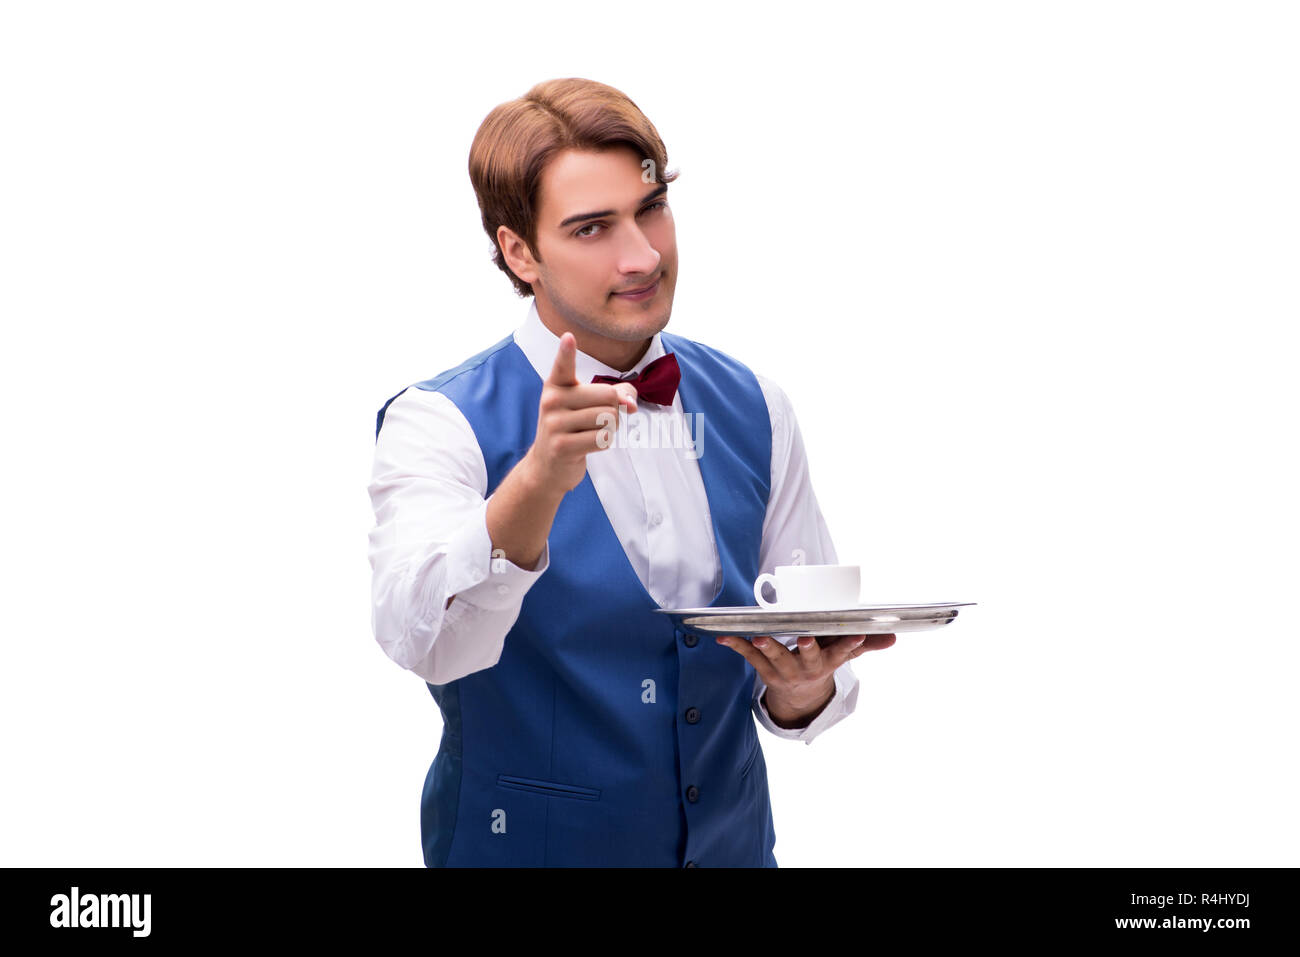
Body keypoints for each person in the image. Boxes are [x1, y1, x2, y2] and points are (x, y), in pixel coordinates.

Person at [367, 78, 896, 867]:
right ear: (520, 251)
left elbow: (800, 657)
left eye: (651, 208)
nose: (644, 255)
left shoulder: (759, 406)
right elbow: (421, 637)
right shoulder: (436, 422)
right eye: (591, 227)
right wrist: (538, 479)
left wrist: (801, 686)